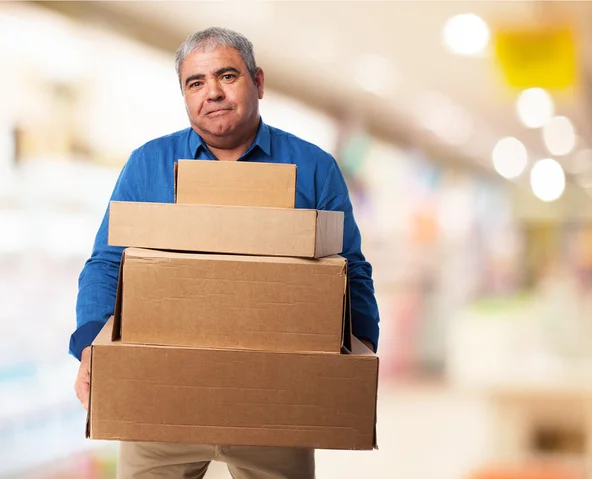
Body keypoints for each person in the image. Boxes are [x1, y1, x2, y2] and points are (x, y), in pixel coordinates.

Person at [72, 26, 380, 479]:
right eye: (195, 83)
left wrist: (362, 353)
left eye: (226, 76)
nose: (211, 92)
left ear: (257, 82)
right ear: (184, 95)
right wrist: (91, 347)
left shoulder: (313, 168)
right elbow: (106, 263)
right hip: (159, 398)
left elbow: (350, 271)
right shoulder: (148, 164)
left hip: (275, 402)